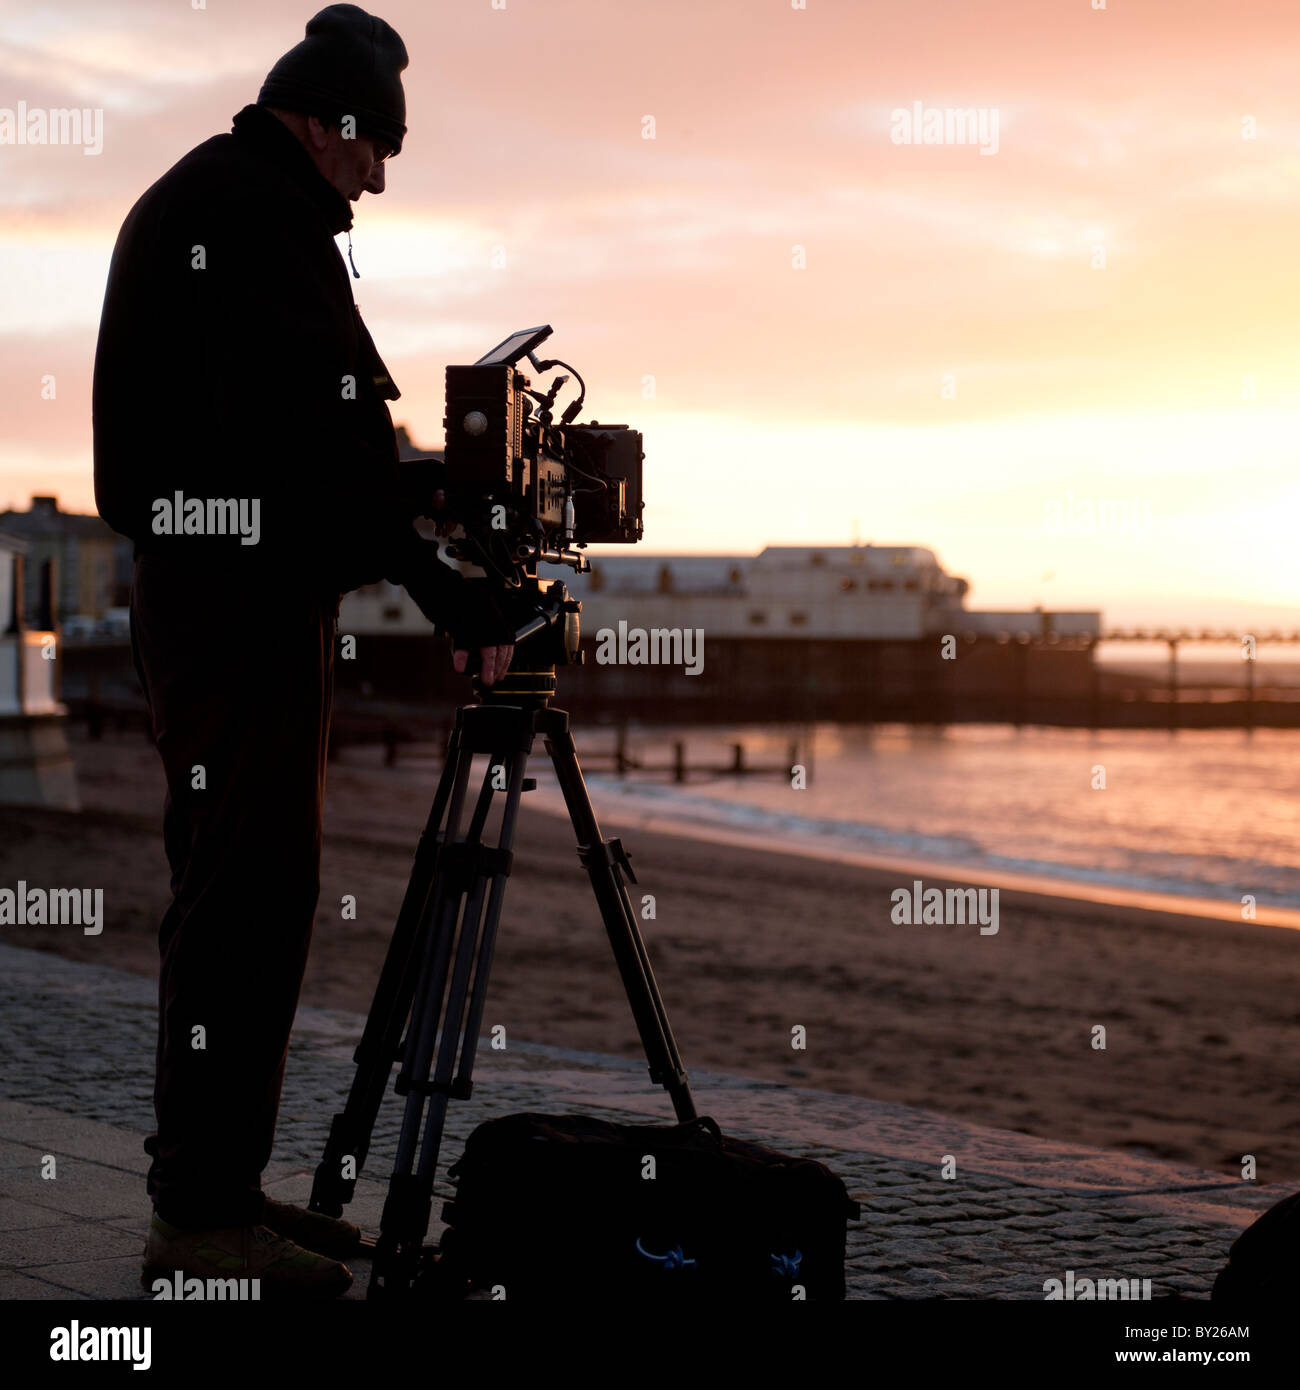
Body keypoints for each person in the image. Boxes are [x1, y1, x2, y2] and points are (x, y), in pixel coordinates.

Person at [92, 4, 517, 1297]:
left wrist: (428, 499)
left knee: (251, 893)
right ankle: (201, 1223)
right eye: (375, 147)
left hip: (244, 602)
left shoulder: (253, 210)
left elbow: (321, 445)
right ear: (324, 120)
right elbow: (291, 450)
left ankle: (220, 1190)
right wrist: (435, 579)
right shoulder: (244, 216)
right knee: (245, 897)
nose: (379, 176)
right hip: (229, 610)